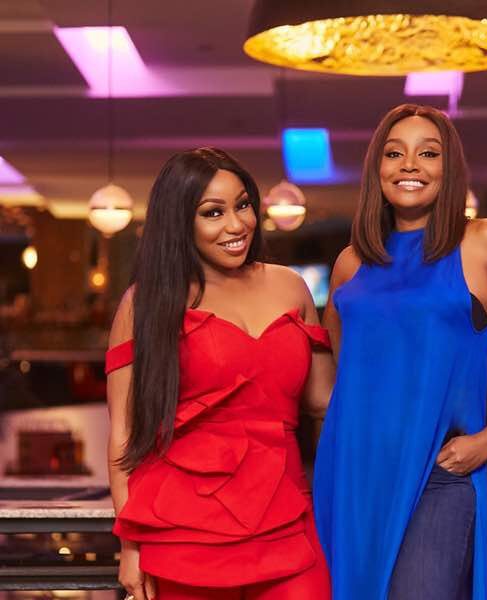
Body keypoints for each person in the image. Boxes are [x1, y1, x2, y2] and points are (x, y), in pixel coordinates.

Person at [313, 104, 487, 600]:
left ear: (449, 167)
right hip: (353, 472)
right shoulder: (352, 262)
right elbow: (332, 373)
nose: (410, 165)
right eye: (394, 153)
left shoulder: (486, 241)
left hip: (439, 473)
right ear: (377, 169)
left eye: (428, 153)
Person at [106, 148, 334, 600]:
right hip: (183, 532)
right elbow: (123, 434)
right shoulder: (146, 302)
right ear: (180, 222)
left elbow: (326, 402)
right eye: (213, 212)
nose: (237, 225)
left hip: (287, 518)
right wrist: (130, 545)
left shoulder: (291, 286)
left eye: (243, 205)